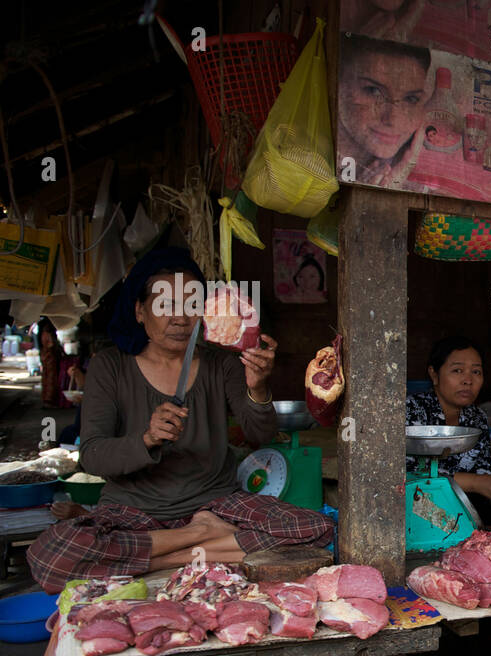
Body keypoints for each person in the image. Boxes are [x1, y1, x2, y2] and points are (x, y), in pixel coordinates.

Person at [27, 248, 335, 595]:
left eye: (191, 305)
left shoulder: (223, 363)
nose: (179, 318)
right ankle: (195, 542)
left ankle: (157, 556)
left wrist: (258, 386)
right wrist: (146, 439)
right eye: (165, 305)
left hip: (215, 504)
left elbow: (261, 434)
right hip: (135, 512)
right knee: (52, 554)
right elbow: (93, 456)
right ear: (140, 311)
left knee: (316, 527)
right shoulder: (109, 366)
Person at [406, 335, 491, 520]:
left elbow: (484, 474)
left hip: (462, 507)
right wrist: (477, 483)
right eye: (457, 370)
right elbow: (407, 474)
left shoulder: (477, 418)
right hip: (416, 507)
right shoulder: (410, 410)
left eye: (476, 372)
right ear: (434, 374)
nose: (468, 380)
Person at [337, 35, 432, 188]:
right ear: (339, 82)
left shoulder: (420, 181)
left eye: (411, 99)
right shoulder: (305, 159)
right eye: (373, 91)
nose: (392, 119)